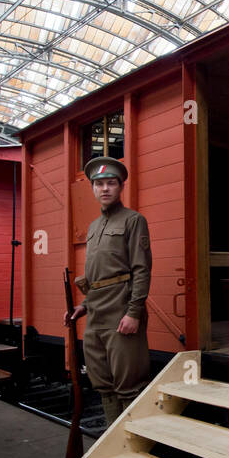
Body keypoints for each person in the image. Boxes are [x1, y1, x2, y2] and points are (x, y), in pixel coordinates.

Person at [64, 157, 153, 426]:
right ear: (92, 189)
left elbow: (141, 269)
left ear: (120, 186)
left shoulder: (133, 220)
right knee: (102, 381)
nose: (105, 189)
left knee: (129, 382)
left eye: (111, 183)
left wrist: (134, 312)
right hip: (96, 313)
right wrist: (85, 305)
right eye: (99, 184)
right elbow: (98, 275)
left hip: (121, 311)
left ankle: (133, 441)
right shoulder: (92, 227)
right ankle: (113, 437)